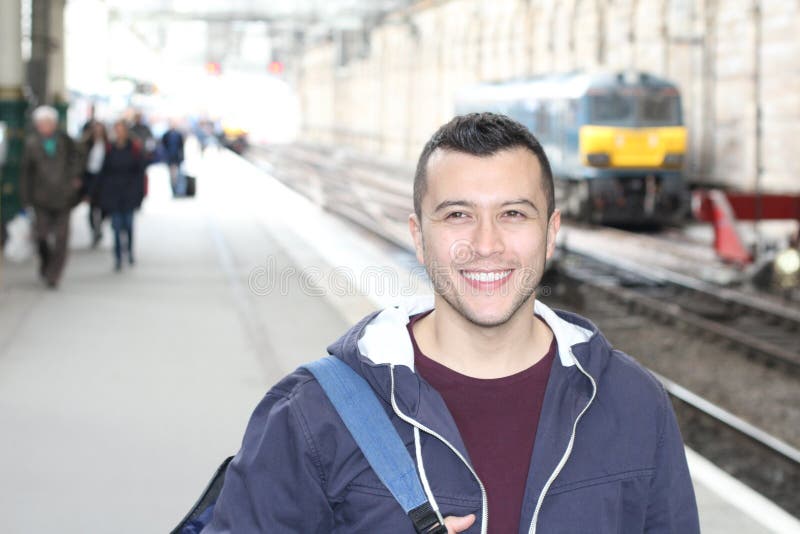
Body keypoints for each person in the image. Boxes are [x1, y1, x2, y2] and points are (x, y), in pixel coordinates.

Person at [203, 113, 700, 533]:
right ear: (419, 237)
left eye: (513, 214)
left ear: (551, 235)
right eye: (459, 214)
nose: (486, 244)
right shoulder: (313, 414)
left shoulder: (633, 403)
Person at [20, 105, 82, 288]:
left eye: (48, 123)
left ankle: (54, 274)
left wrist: (74, 178)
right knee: (42, 236)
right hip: (41, 198)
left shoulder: (65, 140)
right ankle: (46, 263)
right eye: (41, 123)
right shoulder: (32, 144)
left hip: (63, 198)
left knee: (62, 238)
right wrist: (25, 199)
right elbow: (26, 173)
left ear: (54, 124)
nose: (44, 126)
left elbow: (79, 156)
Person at [99, 120, 145, 271]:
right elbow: (104, 172)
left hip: (129, 193)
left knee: (129, 225)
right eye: (116, 129)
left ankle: (130, 251)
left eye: (121, 129)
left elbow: (140, 173)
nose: (118, 133)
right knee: (117, 227)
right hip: (114, 194)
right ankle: (118, 256)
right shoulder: (109, 149)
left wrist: (138, 194)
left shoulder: (134, 149)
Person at [80, 121, 108, 247]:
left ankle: (99, 225)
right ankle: (95, 230)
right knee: (92, 207)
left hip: (103, 178)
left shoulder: (107, 145)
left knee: (104, 207)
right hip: (90, 177)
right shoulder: (86, 144)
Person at [161, 120, 185, 196]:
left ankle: (179, 191)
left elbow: (181, 147)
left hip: (177, 157)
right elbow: (164, 146)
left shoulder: (178, 134)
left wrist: (182, 157)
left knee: (178, 175)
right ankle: (174, 190)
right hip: (170, 157)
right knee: (172, 175)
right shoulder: (166, 135)